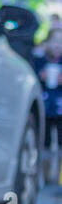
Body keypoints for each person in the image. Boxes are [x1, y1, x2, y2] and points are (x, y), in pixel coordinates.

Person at [31, 27, 62, 184]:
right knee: (46, 142)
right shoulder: (40, 61)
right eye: (55, 42)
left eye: (60, 42)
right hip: (45, 107)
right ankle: (44, 174)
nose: (58, 45)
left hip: (60, 108)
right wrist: (40, 76)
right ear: (47, 43)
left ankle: (59, 176)